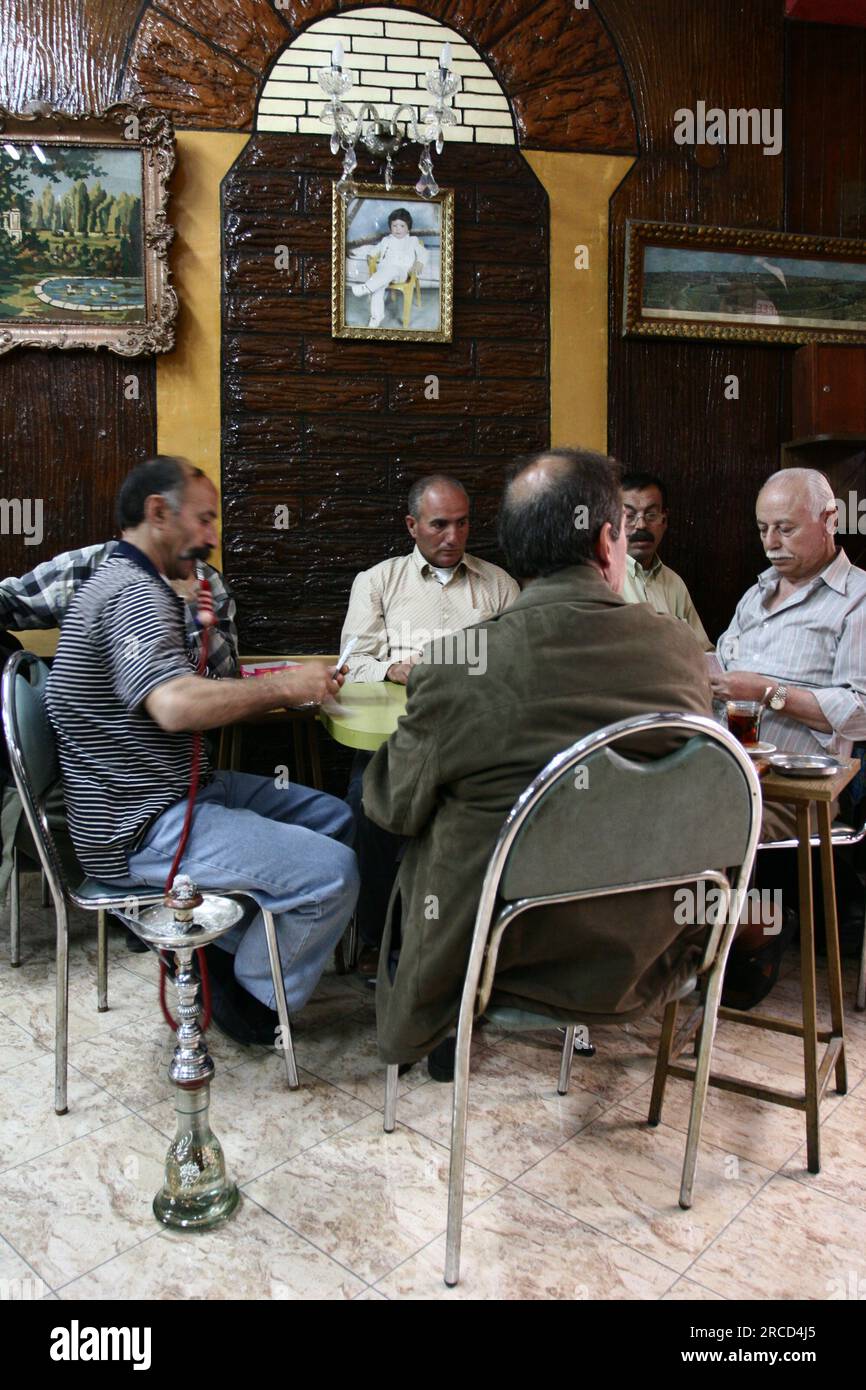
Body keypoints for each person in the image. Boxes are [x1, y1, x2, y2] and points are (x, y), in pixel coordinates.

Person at [362, 447, 713, 1074]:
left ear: (513, 549)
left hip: (499, 961)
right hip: (644, 957)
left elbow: (391, 807)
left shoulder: (454, 667)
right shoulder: (681, 651)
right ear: (610, 543)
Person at [45, 456, 359, 1046]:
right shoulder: (131, 592)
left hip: (179, 790)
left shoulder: (131, 582)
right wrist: (288, 686)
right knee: (333, 872)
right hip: (138, 824)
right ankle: (250, 1004)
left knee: (335, 818)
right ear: (158, 513)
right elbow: (174, 705)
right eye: (205, 518)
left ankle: (219, 947)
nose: (213, 536)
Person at [340, 474, 519, 978]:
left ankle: (473, 945)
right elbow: (353, 664)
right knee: (364, 807)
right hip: (393, 741)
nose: (453, 537)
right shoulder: (378, 581)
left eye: (462, 524)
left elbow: (516, 668)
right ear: (412, 526)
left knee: (495, 813)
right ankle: (381, 937)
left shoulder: (500, 585)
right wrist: (393, 668)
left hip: (475, 744)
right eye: (439, 525)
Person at [712, 467, 866, 992]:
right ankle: (681, 952)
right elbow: (725, 664)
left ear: (831, 519)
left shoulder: (858, 600)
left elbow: (862, 710)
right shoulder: (757, 595)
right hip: (726, 765)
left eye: (785, 528)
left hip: (795, 788)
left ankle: (749, 941)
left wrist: (768, 692)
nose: (771, 543)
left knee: (702, 823)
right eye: (762, 530)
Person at [620, 471, 711, 648]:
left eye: (651, 515)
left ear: (664, 520)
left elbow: (702, 651)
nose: (641, 525)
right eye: (629, 516)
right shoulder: (599, 580)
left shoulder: (674, 584)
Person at [350, 207, 426, 329]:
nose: (398, 229)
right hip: (383, 274)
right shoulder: (386, 240)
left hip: (401, 272)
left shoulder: (412, 240)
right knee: (378, 288)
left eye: (402, 226)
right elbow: (376, 249)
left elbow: (423, 252)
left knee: (391, 270)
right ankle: (376, 317)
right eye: (394, 225)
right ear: (390, 227)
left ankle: (366, 287)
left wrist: (420, 262)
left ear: (408, 228)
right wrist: (370, 255)